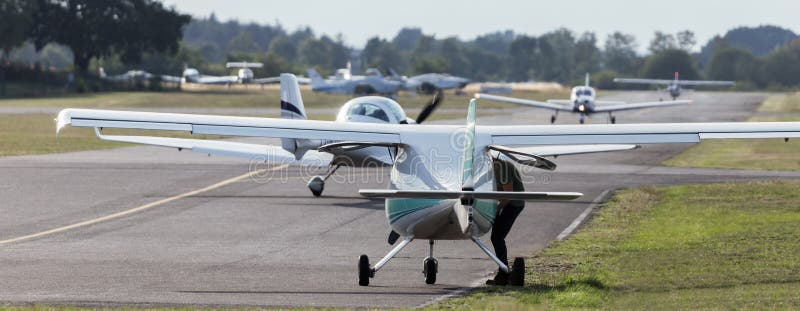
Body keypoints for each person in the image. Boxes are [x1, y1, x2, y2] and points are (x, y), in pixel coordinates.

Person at [486, 159, 526, 285]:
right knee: (496, 237)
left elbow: (508, 196)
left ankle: (503, 274)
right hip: (502, 202)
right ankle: (503, 271)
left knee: (497, 237)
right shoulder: (488, 167)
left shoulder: (502, 167)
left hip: (513, 204)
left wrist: (495, 209)